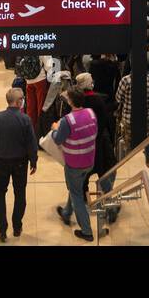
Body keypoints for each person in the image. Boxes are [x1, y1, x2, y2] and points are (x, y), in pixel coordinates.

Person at [0, 87, 38, 243]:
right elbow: (32, 143)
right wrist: (33, 161)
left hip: (2, 161)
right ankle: (17, 226)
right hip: (20, 162)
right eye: (23, 98)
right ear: (19, 102)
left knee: (0, 194)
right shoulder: (25, 119)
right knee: (20, 193)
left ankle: (2, 230)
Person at [51, 88, 100, 241]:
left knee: (77, 195)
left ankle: (87, 231)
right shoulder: (91, 113)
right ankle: (66, 213)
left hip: (74, 164)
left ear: (71, 101)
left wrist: (54, 129)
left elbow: (58, 139)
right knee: (75, 188)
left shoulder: (68, 120)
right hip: (89, 160)